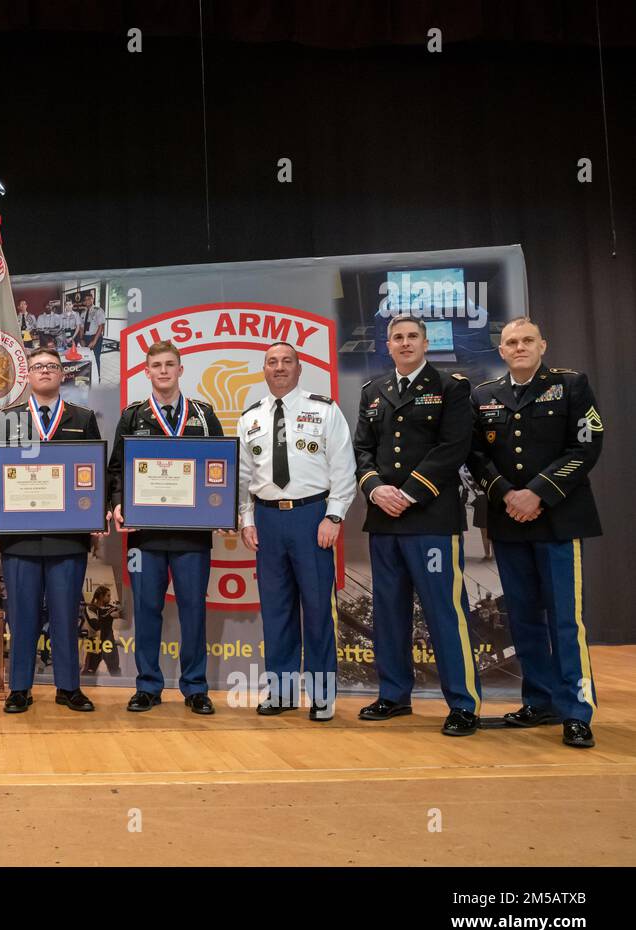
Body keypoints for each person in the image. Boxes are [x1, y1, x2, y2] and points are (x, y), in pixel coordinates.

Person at [467, 317, 604, 748]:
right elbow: (474, 455)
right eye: (512, 342)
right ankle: (539, 702)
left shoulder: (570, 385)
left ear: (542, 345)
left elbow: (587, 444)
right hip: (509, 521)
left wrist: (538, 494)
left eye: (528, 340)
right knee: (523, 620)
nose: (520, 346)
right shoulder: (484, 396)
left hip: (558, 519)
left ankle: (576, 711)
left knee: (565, 621)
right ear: (501, 351)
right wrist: (506, 493)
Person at [354, 315, 482, 736]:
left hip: (429, 517)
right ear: (386, 345)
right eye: (397, 338)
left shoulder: (450, 387)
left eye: (412, 337)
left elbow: (453, 448)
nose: (405, 343)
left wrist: (407, 493)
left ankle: (463, 704)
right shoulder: (373, 391)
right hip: (384, 520)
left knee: (445, 612)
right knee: (388, 614)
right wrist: (375, 490)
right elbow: (363, 450)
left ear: (426, 343)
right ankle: (394, 695)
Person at [238, 342, 356, 720]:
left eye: (287, 361)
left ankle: (322, 695)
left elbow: (343, 466)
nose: (279, 368)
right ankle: (283, 691)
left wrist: (334, 516)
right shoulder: (250, 417)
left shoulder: (324, 409)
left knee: (319, 609)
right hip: (268, 520)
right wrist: (247, 519)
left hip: (312, 517)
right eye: (272, 362)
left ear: (299, 367)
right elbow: (242, 478)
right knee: (276, 611)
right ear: (264, 370)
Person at [0, 347, 103, 713]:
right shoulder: (9, 418)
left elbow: (92, 473)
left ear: (62, 374)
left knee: (67, 616)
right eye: (38, 367)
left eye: (51, 366)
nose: (45, 371)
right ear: (28, 375)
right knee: (22, 617)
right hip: (20, 538)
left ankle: (68, 687)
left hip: (67, 538)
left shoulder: (83, 418)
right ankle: (20, 687)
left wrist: (94, 512)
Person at [107, 340, 224, 715]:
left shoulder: (204, 415)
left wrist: (220, 510)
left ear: (180, 369)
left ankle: (194, 687)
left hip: (192, 534)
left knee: (193, 609)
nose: (162, 371)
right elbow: (115, 470)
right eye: (155, 365)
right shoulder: (132, 416)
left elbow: (220, 467)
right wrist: (118, 504)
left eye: (169, 364)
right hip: (145, 534)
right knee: (146, 608)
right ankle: (148, 686)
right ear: (146, 371)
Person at [81, 585, 121, 676]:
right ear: (101, 596)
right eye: (108, 595)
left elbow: (121, 613)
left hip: (108, 642)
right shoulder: (90, 608)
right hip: (95, 643)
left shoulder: (110, 608)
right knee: (88, 672)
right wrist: (108, 616)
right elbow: (95, 625)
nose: (110, 598)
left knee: (115, 671)